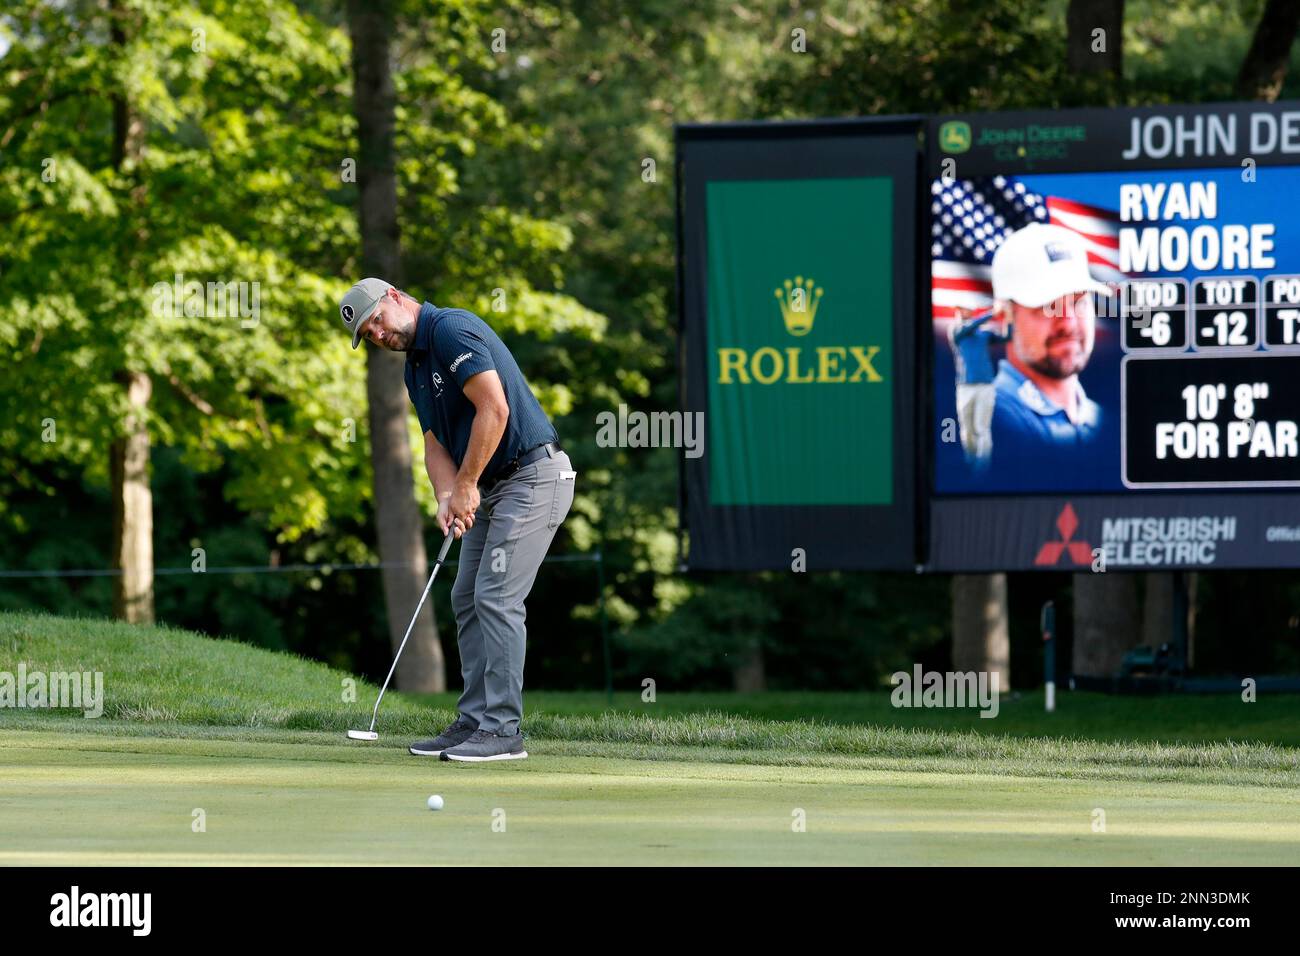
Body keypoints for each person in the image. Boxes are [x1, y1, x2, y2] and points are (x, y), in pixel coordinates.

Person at [338, 277, 576, 762]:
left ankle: (503, 730)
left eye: (378, 321)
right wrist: (448, 494)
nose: (379, 336)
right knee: (465, 595)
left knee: (496, 594)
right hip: (490, 486)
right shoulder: (415, 368)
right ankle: (474, 721)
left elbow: (495, 409)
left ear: (396, 298)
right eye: (370, 335)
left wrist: (466, 485)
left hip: (533, 476)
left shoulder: (450, 329)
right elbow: (434, 444)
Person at [985, 223, 1114, 478]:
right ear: (1004, 318)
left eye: (1078, 301)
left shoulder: (1101, 420)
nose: (1067, 322)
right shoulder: (993, 421)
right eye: (1047, 306)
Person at [948, 307, 1011, 465]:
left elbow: (1006, 338)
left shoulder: (984, 333)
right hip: (965, 387)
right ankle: (970, 464)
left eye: (963, 309)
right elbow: (970, 327)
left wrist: (1008, 318)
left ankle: (982, 472)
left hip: (985, 386)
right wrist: (992, 313)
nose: (960, 312)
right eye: (958, 310)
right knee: (967, 431)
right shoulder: (956, 330)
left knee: (981, 428)